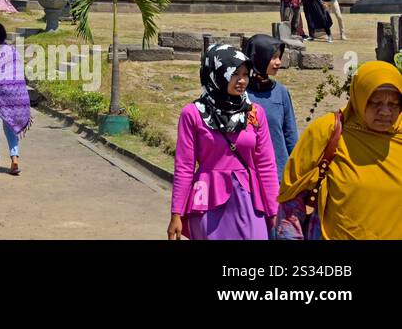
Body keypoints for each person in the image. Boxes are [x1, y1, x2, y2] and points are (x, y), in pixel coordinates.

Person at [277, 60, 402, 239]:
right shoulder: (328, 131)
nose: (385, 111)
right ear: (359, 97)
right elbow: (292, 200)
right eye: (375, 102)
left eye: (394, 104)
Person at [169, 43, 279, 240]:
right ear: (218, 74)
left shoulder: (255, 113)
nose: (242, 80)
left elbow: (266, 165)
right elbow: (184, 167)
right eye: (235, 74)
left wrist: (274, 210)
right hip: (207, 203)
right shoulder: (192, 114)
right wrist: (176, 213)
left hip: (250, 201)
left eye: (245, 74)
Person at [243, 35, 299, 184]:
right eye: (273, 57)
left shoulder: (281, 92)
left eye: (279, 57)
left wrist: (297, 170)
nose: (278, 62)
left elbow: (290, 134)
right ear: (259, 57)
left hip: (279, 174)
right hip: (248, 176)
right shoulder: (241, 94)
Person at [0, 22, 31, 174]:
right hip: (12, 97)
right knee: (10, 128)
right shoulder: (13, 52)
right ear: (3, 35)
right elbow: (18, 73)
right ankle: (14, 158)